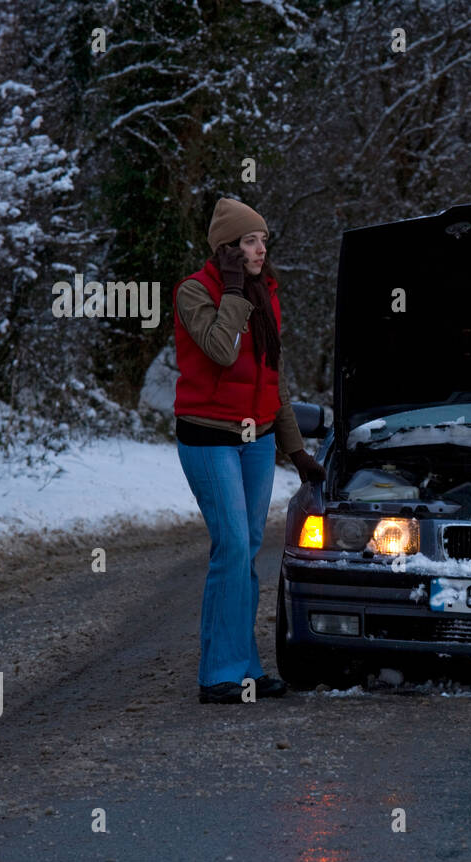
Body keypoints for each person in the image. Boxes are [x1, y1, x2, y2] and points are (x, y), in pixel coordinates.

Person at [172, 197, 326, 704]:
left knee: (249, 552)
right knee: (232, 548)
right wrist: (235, 291)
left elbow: (271, 376)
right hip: (208, 437)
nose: (262, 248)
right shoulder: (194, 291)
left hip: (256, 439)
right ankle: (217, 673)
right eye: (251, 241)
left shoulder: (268, 294)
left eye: (263, 239)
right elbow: (221, 349)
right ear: (228, 249)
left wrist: (295, 449)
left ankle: (246, 668)